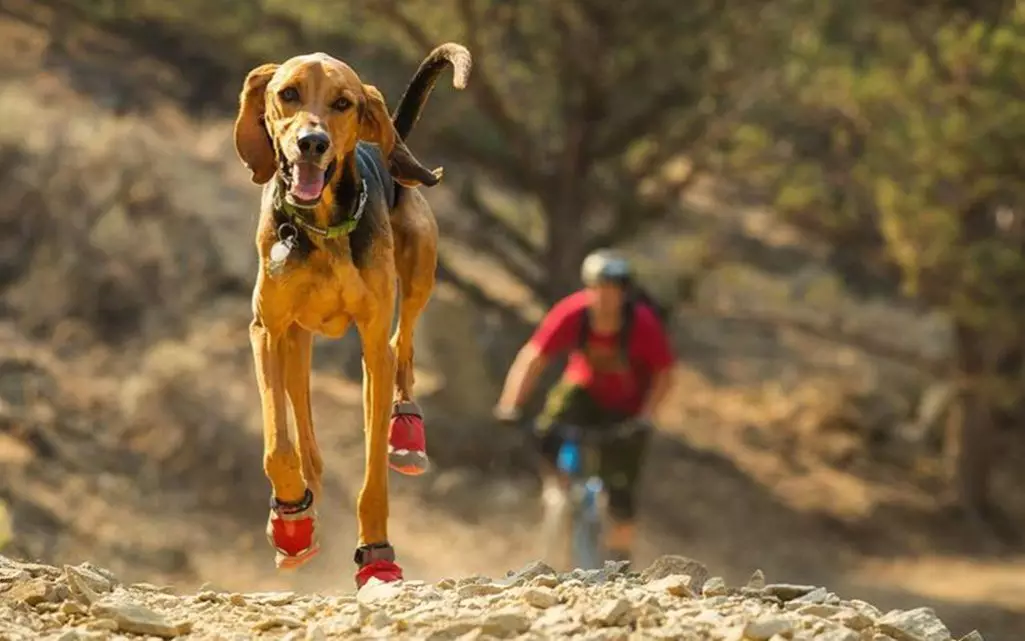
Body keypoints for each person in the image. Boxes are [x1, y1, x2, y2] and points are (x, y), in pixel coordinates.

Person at [493, 250, 675, 564]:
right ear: (588, 289)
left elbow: (664, 373)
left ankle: (620, 558)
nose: (605, 298)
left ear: (624, 293)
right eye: (599, 289)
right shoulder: (572, 313)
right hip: (584, 391)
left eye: (613, 291)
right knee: (548, 427)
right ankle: (557, 492)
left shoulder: (642, 323)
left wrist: (646, 416)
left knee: (621, 490)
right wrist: (511, 404)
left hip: (627, 406)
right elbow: (534, 357)